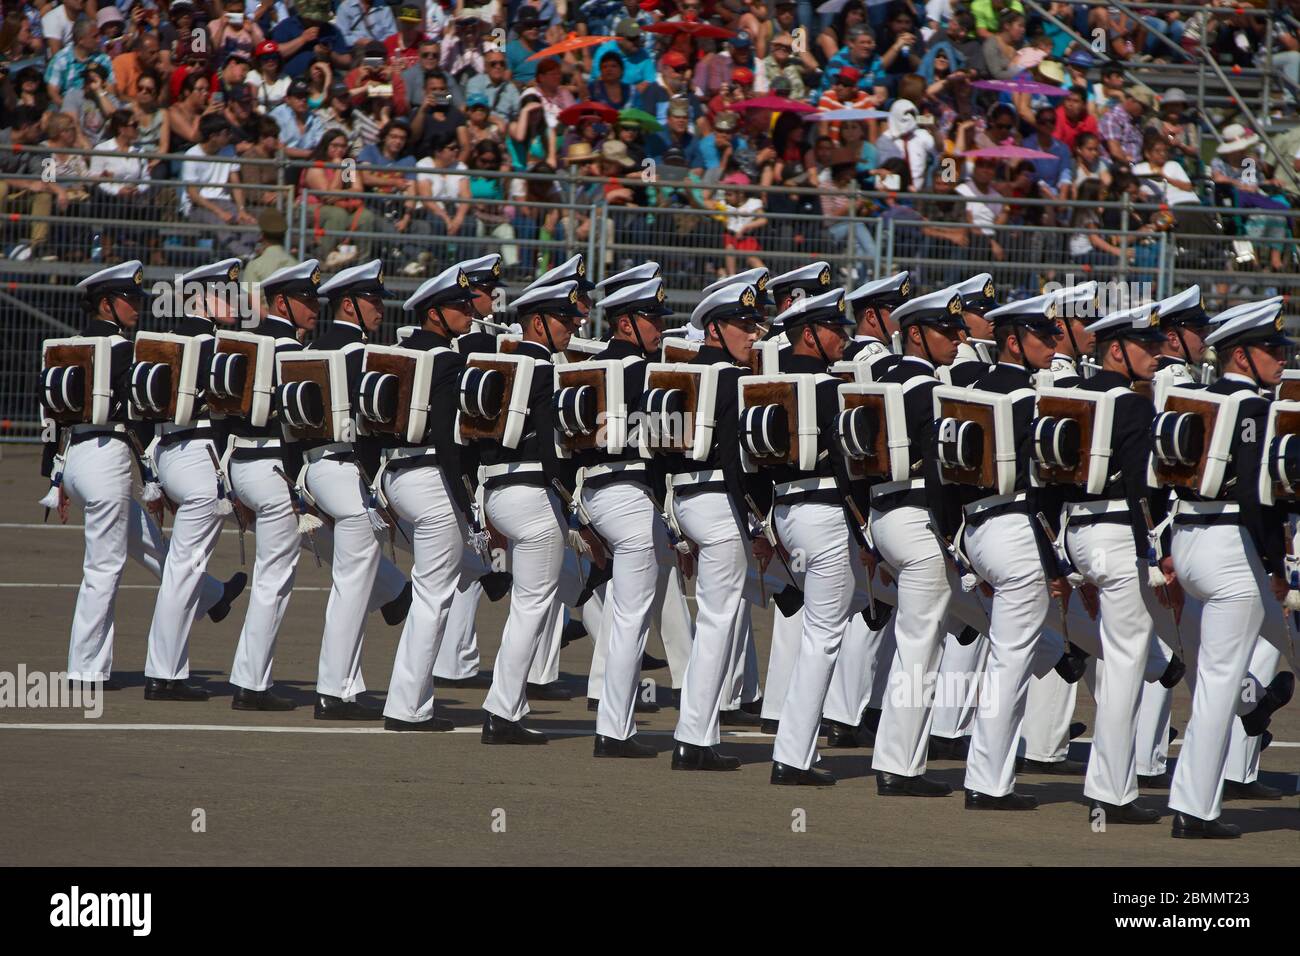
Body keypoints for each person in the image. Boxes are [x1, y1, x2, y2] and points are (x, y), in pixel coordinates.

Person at [1167, 299, 1299, 838]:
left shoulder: (1192, 399)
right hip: (1234, 551)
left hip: (1190, 539)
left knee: (1234, 667)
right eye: (1272, 348)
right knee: (1218, 683)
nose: (1281, 356)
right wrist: (1275, 563)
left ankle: (1255, 709)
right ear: (1241, 355)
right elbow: (1256, 498)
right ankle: (1195, 809)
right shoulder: (1252, 409)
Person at [871, 284, 991, 796]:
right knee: (921, 647)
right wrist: (953, 536)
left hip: (883, 517)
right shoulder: (932, 390)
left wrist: (865, 525)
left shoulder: (876, 379)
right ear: (915, 335)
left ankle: (900, 760)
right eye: (946, 329)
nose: (957, 336)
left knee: (934, 637)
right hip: (921, 523)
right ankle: (898, 766)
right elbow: (946, 469)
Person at [959, 294, 1071, 810]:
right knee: (1009, 663)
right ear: (1013, 341)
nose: (1054, 344)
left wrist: (958, 542)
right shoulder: (1031, 400)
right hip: (1018, 533)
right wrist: (1056, 563)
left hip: (977, 532)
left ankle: (985, 776)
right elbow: (1044, 490)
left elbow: (944, 480)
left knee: (1005, 658)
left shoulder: (964, 390)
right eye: (1043, 337)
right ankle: (989, 783)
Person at [1061, 301, 1171, 824]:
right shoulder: (1131, 405)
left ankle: (1111, 782)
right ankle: (1111, 792)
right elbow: (1142, 486)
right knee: (1125, 665)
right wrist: (1156, 550)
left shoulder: (1069, 396)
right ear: (1116, 351)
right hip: (1117, 535)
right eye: (1147, 347)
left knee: (1117, 657)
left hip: (1077, 535)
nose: (1157, 353)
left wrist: (1061, 556)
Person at [475, 279, 587, 744]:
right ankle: (503, 711)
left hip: (496, 492)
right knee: (532, 607)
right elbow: (555, 448)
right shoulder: (545, 371)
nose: (576, 323)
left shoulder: (496, 365)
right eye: (565, 317)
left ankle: (507, 706)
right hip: (534, 497)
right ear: (538, 322)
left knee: (534, 603)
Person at [377, 266, 485, 732]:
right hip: (432, 478)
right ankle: (409, 706)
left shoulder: (396, 353)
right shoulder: (447, 359)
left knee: (434, 587)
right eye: (460, 307)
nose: (470, 312)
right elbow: (448, 438)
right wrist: (468, 498)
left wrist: (372, 482)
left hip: (397, 474)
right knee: (433, 596)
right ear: (435, 314)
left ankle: (409, 699)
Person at [670, 279, 770, 771]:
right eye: (743, 325)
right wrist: (759, 523)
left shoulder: (681, 374)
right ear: (715, 329)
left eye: (754, 324)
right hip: (720, 502)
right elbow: (740, 461)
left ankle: (694, 731)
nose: (753, 333)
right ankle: (695, 738)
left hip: (687, 500)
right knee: (719, 623)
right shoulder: (733, 380)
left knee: (714, 620)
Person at [219, 259, 324, 712]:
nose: (314, 307)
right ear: (282, 301)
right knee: (273, 580)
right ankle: (251, 683)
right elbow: (298, 428)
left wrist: (228, 483)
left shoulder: (244, 343)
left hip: (241, 462)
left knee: (269, 576)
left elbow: (219, 414)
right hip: (273, 467)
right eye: (306, 299)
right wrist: (302, 489)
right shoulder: (291, 351)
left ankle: (249, 677)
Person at [140, 258, 247, 703]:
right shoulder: (215, 344)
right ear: (202, 297)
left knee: (182, 569)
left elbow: (140, 411)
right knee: (185, 570)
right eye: (227, 293)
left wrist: (152, 475)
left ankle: (165, 669)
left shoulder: (161, 341)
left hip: (167, 454)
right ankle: (164, 673)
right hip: (200, 456)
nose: (236, 302)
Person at [42, 261, 152, 688]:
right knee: (104, 568)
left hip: (74, 456)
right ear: (107, 304)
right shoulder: (126, 350)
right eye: (130, 298)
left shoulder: (66, 348)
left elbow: (50, 417)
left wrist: (55, 475)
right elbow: (142, 418)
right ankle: (86, 668)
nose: (138, 305)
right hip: (108, 456)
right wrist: (155, 478)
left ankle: (209, 595)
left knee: (139, 538)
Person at [295, 260, 390, 720]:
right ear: (350, 304)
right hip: (346, 468)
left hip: (316, 470)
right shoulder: (364, 355)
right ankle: (334, 690)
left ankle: (345, 684)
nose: (380, 308)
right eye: (373, 300)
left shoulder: (311, 348)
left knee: (354, 583)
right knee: (352, 586)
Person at [181, 113, 259, 259]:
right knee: (220, 224)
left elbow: (235, 183)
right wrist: (219, 212)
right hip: (198, 206)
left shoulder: (229, 151)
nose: (230, 136)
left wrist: (242, 210)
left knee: (251, 224)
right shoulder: (191, 155)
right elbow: (193, 194)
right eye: (226, 133)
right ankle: (245, 255)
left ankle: (240, 256)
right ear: (213, 136)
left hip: (224, 202)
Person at [243, 208, 298, 288]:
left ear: (262, 236)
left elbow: (253, 300)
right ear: (284, 236)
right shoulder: (296, 265)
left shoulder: (254, 266)